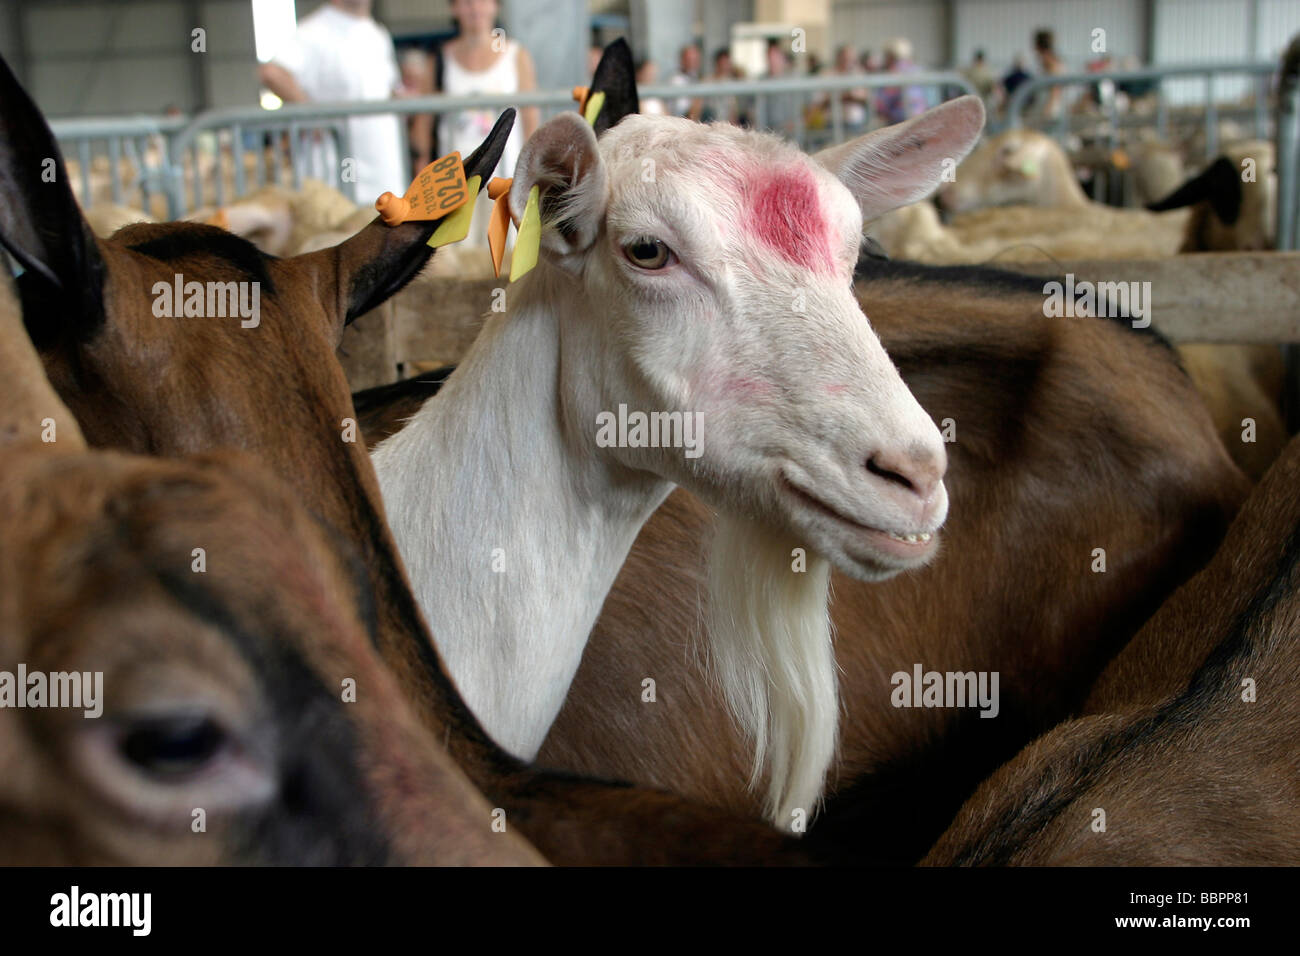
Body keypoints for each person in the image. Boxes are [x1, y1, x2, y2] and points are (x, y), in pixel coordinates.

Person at [258, 0, 409, 204]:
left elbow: (388, 89)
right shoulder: (313, 31)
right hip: (338, 176)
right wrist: (311, 114)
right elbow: (272, 72)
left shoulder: (377, 34)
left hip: (383, 170)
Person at [433, 0, 539, 246]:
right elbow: (424, 122)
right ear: (454, 8)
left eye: (482, 1)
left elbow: (530, 117)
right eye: (466, 2)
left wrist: (533, 172)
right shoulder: (440, 58)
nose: (475, 8)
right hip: (455, 179)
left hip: (504, 175)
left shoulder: (516, 55)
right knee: (458, 249)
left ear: (495, 6)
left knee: (504, 249)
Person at [876, 37, 928, 125]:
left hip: (901, 119)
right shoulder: (917, 69)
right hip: (920, 116)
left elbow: (883, 100)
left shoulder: (894, 71)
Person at [1033, 28, 1065, 119]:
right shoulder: (1051, 62)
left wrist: (1048, 109)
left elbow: (1056, 88)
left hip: (1050, 107)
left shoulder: (1052, 63)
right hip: (1048, 104)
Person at [669, 44, 702, 119]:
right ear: (682, 60)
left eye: (695, 60)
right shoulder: (676, 80)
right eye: (689, 59)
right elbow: (683, 112)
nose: (692, 63)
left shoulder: (696, 77)